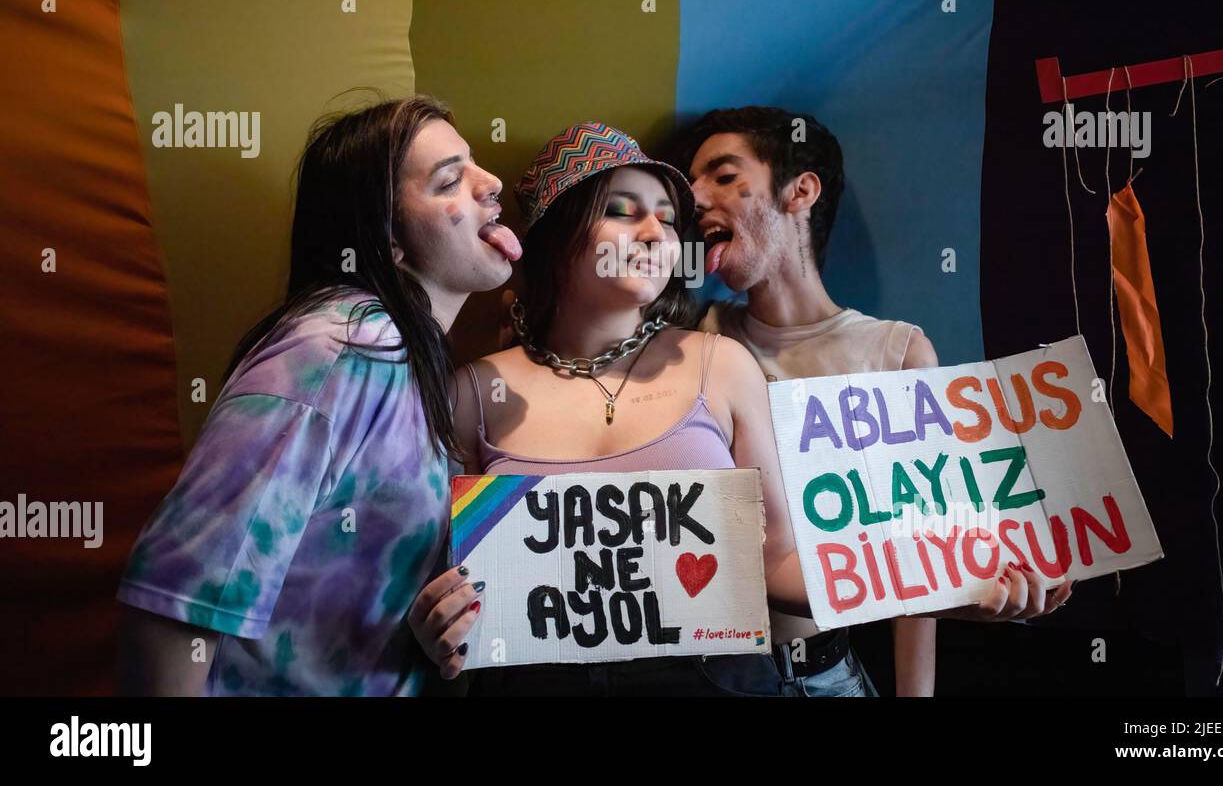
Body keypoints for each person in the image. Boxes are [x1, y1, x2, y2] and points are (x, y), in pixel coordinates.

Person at [410, 121, 1067, 696]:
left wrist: (944, 591)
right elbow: (443, 582)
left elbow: (776, 559)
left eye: (666, 219)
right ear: (559, 232)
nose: (654, 232)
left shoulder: (719, 363)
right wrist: (435, 629)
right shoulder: (473, 390)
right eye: (623, 210)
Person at [116, 94, 521, 695]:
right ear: (388, 242)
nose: (490, 185)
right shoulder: (348, 346)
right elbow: (174, 599)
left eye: (474, 164)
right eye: (448, 181)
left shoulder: (410, 360)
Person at [676, 106, 1074, 697]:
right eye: (690, 187)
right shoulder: (689, 341)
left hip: (826, 673)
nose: (697, 199)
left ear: (800, 190)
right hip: (706, 675)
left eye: (724, 176)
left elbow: (923, 545)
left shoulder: (897, 352)